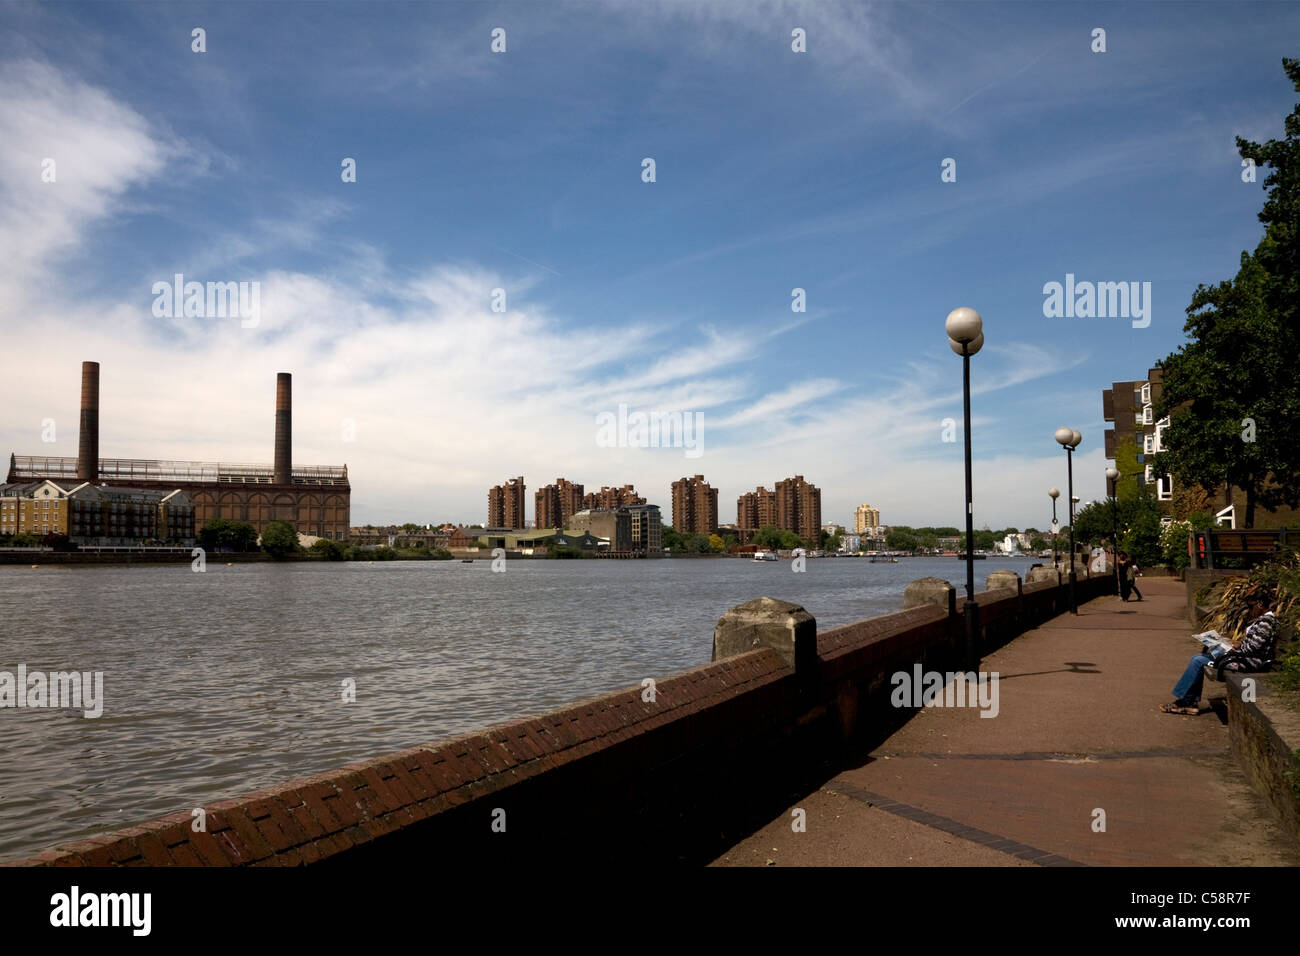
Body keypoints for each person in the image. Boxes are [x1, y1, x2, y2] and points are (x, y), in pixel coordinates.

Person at [1161, 594, 1278, 715]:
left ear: (1260, 604)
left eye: (1250, 607)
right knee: (1197, 659)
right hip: (1242, 657)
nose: (1249, 610)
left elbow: (1252, 649)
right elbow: (1252, 645)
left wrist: (1229, 648)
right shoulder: (1264, 620)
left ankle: (1185, 702)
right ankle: (1188, 702)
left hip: (1247, 662)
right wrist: (1232, 643)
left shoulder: (1266, 622)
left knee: (1198, 661)